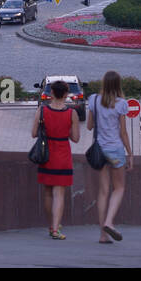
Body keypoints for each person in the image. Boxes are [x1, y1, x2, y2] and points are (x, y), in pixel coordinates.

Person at [86, 71, 133, 243]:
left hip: (100, 151)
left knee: (103, 192)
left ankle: (103, 234)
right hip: (115, 150)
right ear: (118, 85)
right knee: (119, 188)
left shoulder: (94, 100)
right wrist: (130, 153)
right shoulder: (121, 104)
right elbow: (123, 132)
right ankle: (109, 222)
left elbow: (90, 126)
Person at [31, 80, 80, 239]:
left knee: (47, 192)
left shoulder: (42, 111)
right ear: (66, 94)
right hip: (63, 153)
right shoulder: (71, 113)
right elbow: (76, 138)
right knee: (59, 193)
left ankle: (51, 225)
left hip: (46, 154)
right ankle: (55, 230)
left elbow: (33, 133)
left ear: (51, 93)